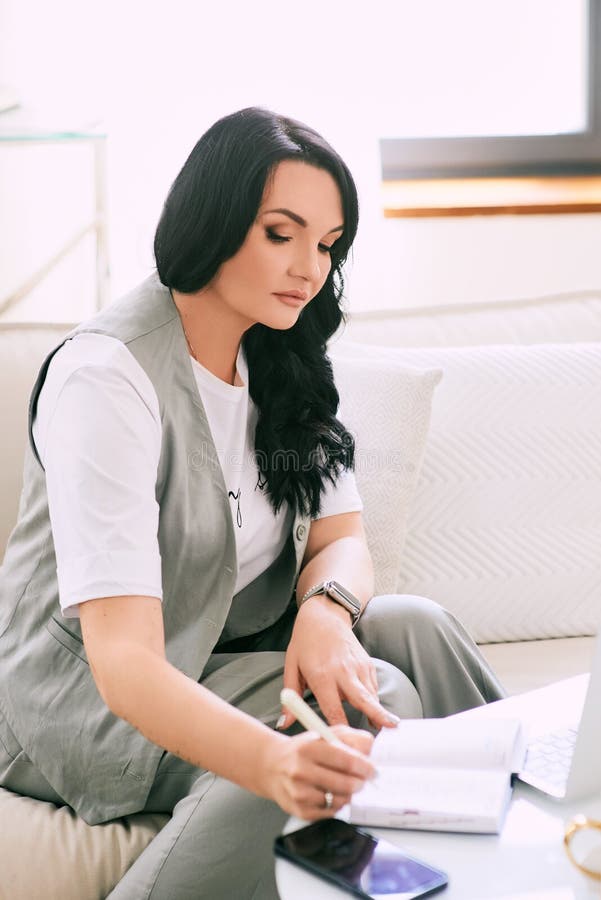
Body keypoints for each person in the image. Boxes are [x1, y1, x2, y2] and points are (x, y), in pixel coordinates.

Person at [0, 106, 505, 898]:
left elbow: (343, 535)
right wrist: (279, 759)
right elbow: (124, 664)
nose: (309, 267)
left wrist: (324, 614)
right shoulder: (107, 376)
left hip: (215, 654)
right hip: (82, 701)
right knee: (369, 706)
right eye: (282, 233)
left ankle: (538, 840)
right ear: (216, 217)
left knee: (418, 628)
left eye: (327, 245)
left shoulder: (278, 354)